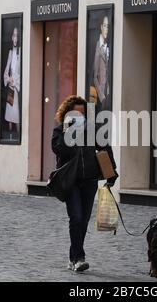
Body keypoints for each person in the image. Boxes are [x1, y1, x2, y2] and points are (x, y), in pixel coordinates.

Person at [51, 95, 118, 272]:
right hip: (70, 181)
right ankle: (80, 258)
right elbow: (60, 151)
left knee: (84, 220)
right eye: (76, 112)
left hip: (89, 180)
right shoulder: (59, 131)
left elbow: (105, 148)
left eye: (82, 113)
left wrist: (111, 172)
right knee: (76, 218)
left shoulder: (92, 130)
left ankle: (73, 257)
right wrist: (68, 132)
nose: (80, 116)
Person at [3, 27, 21, 136]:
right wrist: (8, 78)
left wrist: (16, 82)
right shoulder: (10, 52)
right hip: (10, 87)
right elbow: (6, 70)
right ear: (11, 37)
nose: (15, 38)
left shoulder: (21, 53)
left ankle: (18, 136)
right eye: (13, 35)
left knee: (16, 114)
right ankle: (10, 137)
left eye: (17, 36)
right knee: (9, 115)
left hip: (16, 88)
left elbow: (22, 72)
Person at [93, 15, 110, 111]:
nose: (106, 29)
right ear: (101, 27)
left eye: (108, 26)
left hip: (109, 94)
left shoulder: (109, 45)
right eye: (104, 26)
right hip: (100, 94)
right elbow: (94, 76)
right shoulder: (97, 46)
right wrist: (102, 97)